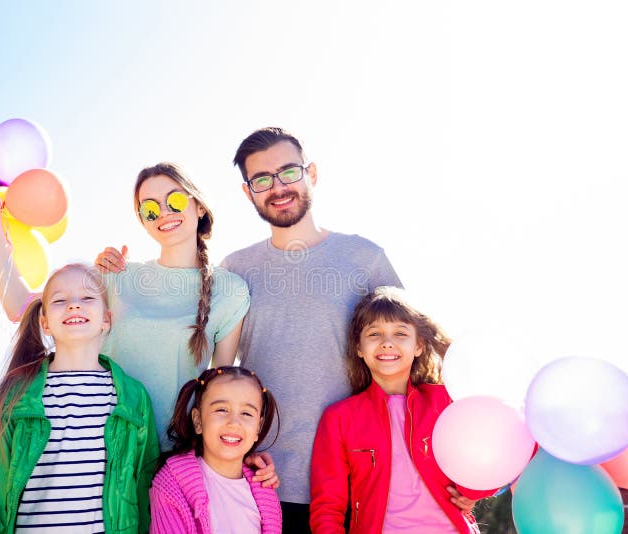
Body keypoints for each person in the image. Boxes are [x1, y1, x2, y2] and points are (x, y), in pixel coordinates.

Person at [0, 162, 250, 447]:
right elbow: (19, 305)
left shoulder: (230, 291)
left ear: (199, 206)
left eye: (175, 200)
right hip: (103, 454)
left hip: (174, 459)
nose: (164, 213)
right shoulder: (117, 276)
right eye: (150, 209)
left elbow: (221, 392)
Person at [220, 127, 404, 531]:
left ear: (312, 174)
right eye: (262, 179)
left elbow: (409, 363)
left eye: (289, 172)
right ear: (248, 191)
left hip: (358, 478)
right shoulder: (235, 269)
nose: (279, 187)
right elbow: (217, 372)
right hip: (260, 477)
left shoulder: (365, 258)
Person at [0, 263, 159, 533]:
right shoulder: (16, 395)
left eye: (87, 298)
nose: (74, 305)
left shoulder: (132, 397)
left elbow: (145, 482)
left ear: (107, 319)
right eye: (60, 300)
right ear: (44, 322)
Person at [309, 287, 497, 533]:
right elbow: (328, 507)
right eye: (374, 334)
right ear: (358, 347)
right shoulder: (339, 418)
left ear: (418, 345)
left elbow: (498, 445)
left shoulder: (446, 402)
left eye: (400, 333)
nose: (387, 343)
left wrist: (473, 491)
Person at [149, 366, 282, 534]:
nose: (234, 422)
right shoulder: (170, 485)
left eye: (247, 413)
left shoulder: (265, 490)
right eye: (221, 410)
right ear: (198, 421)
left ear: (258, 428)